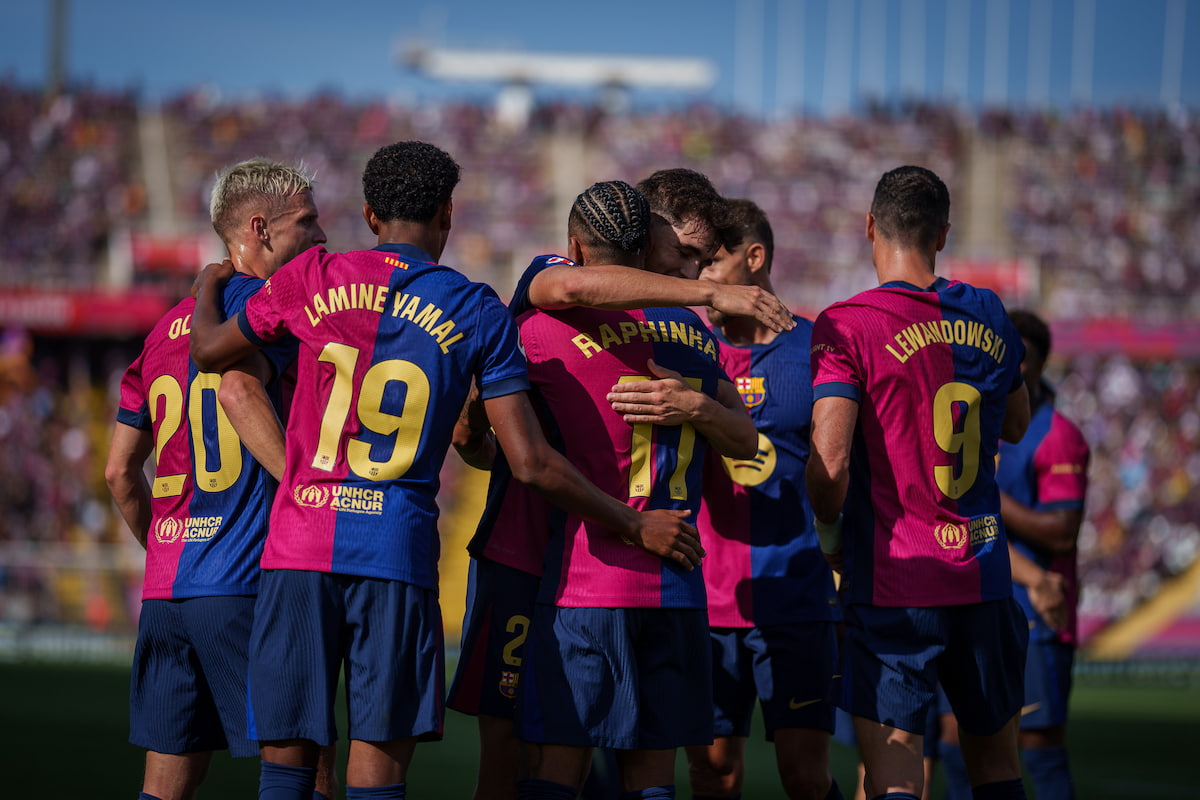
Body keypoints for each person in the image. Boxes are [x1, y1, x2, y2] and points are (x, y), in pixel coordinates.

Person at [187, 142, 703, 800]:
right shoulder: (475, 306)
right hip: (394, 553)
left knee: (285, 773)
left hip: (298, 550)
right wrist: (632, 521)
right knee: (378, 773)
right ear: (447, 214)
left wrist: (208, 283)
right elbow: (530, 462)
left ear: (370, 214)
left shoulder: (310, 275)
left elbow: (210, 353)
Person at [448, 170, 787, 800]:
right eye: (686, 255)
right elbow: (572, 285)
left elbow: (746, 441)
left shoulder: (670, 337)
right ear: (644, 233)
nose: (694, 275)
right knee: (515, 741)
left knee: (560, 754)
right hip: (527, 554)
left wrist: (697, 406)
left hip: (591, 564)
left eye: (705, 263)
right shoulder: (555, 293)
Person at [105, 157, 338, 800]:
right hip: (243, 578)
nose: (322, 237)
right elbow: (238, 390)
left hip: (166, 591)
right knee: (305, 769)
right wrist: (306, 490)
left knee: (166, 782)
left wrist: (166, 550)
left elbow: (120, 473)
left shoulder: (160, 333)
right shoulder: (271, 312)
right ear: (260, 229)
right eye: (308, 223)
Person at [805, 165, 1032, 800]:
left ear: (870, 226)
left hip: (895, 579)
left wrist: (829, 537)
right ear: (943, 233)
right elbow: (1016, 422)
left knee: (896, 773)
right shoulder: (988, 310)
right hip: (983, 574)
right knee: (996, 767)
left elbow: (829, 462)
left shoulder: (849, 323)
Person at [605, 198, 843, 800]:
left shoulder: (818, 350)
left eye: (710, 261)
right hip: (705, 593)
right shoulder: (684, 344)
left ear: (754, 258)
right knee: (714, 772)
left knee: (806, 777)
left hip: (795, 592)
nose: (699, 276)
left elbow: (841, 466)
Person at [939, 310, 1090, 800]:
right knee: (954, 741)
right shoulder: (976, 423)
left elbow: (1063, 533)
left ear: (1033, 364)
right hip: (973, 597)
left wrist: (987, 495)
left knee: (1039, 747)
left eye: (1018, 360)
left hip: (1036, 613)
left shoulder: (1057, 435)